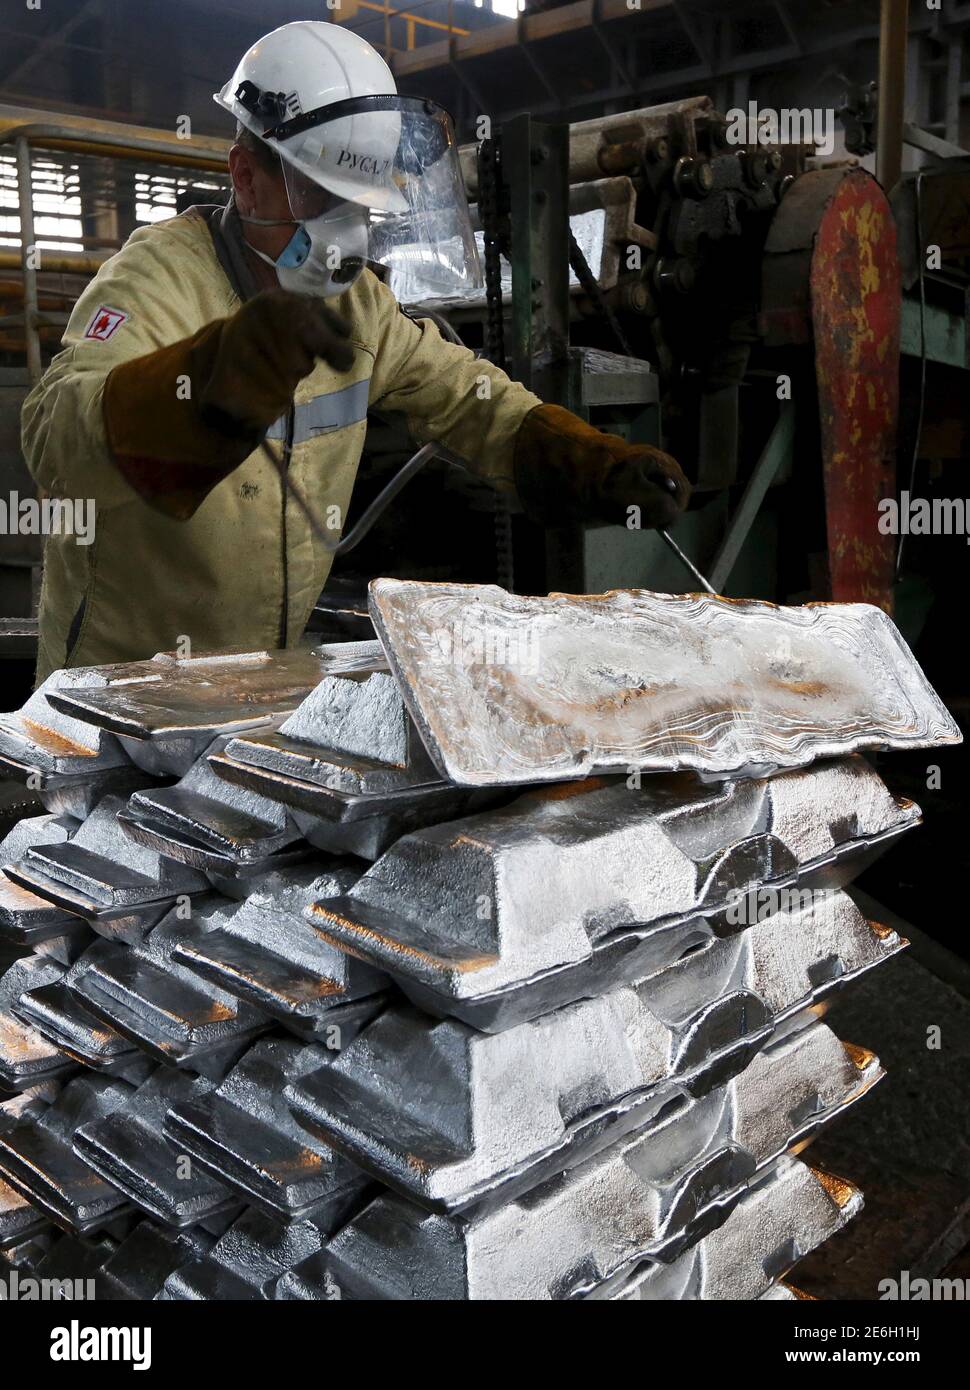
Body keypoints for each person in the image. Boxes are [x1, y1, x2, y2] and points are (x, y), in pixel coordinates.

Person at [21, 21, 689, 684]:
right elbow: (57, 442)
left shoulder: (354, 305)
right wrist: (204, 380)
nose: (344, 228)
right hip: (113, 697)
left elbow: (463, 397)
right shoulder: (156, 281)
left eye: (358, 201)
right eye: (319, 192)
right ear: (245, 177)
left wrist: (585, 462)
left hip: (253, 686)